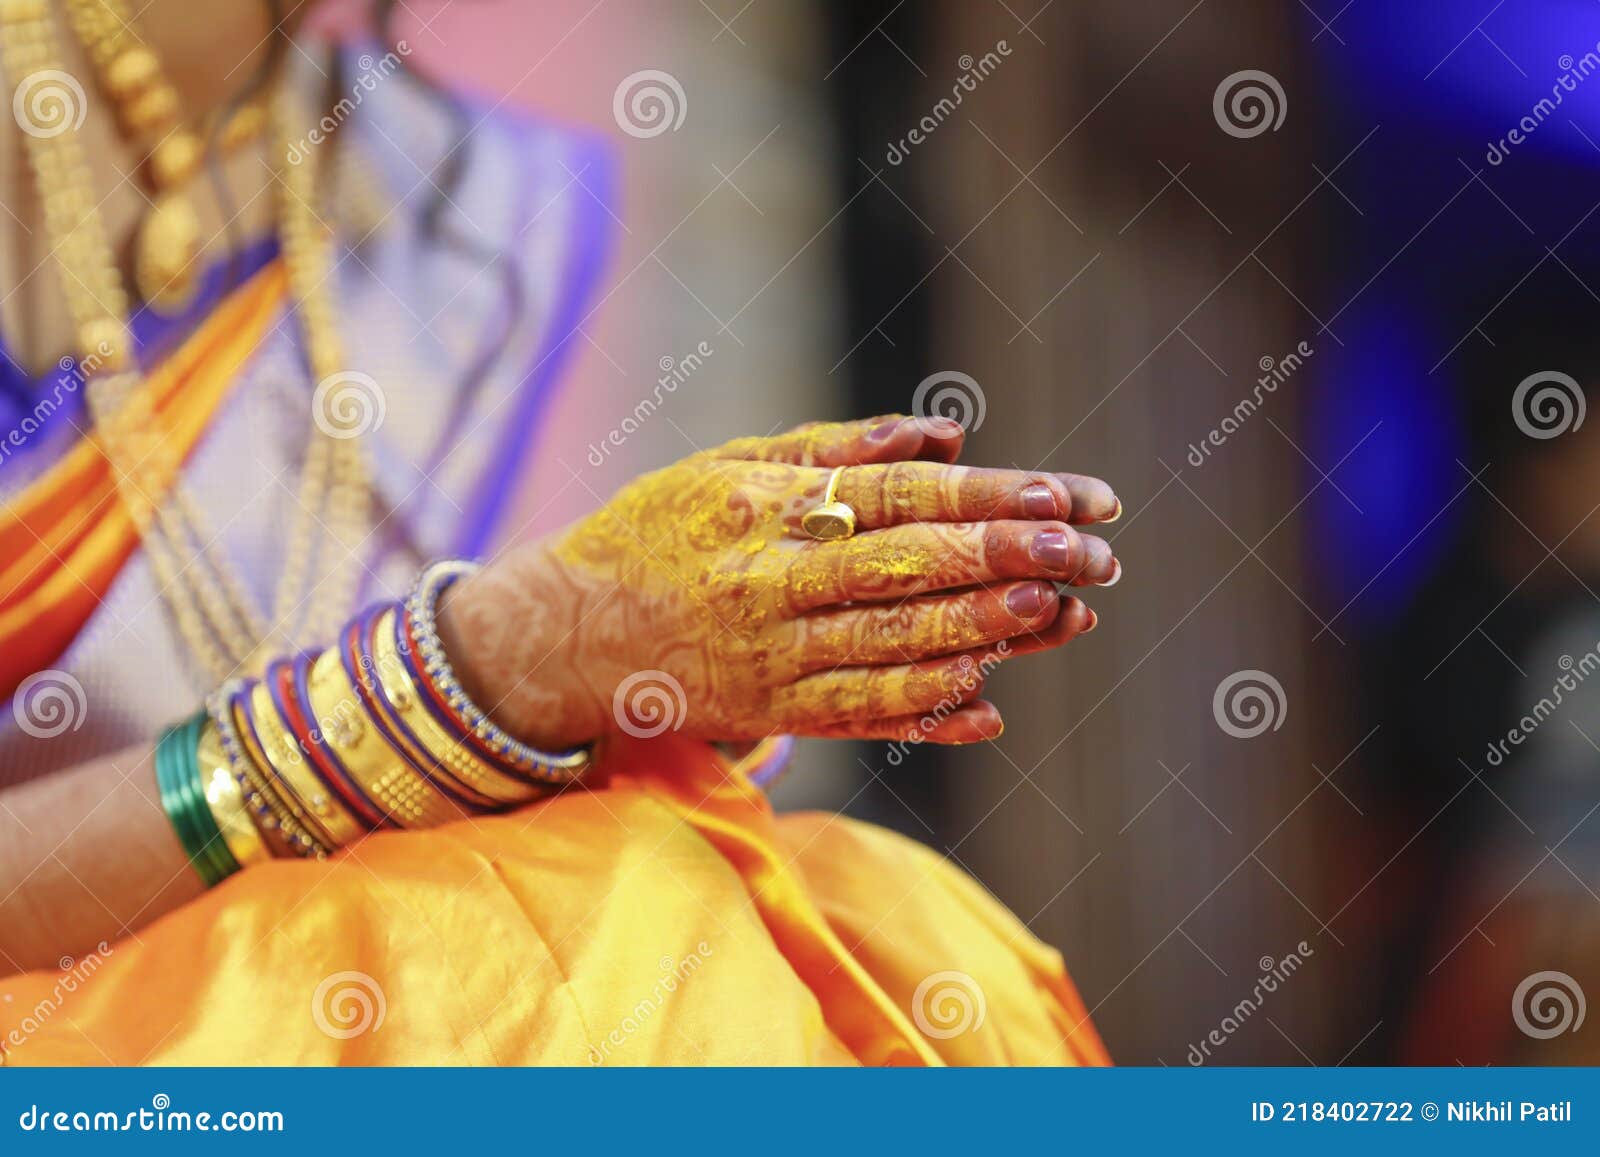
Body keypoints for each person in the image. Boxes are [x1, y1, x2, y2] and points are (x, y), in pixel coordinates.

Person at [0, 0, 1118, 1065]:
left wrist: (623, 682)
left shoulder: (482, 207)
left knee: (878, 936)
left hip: (220, 949)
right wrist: (487, 672)